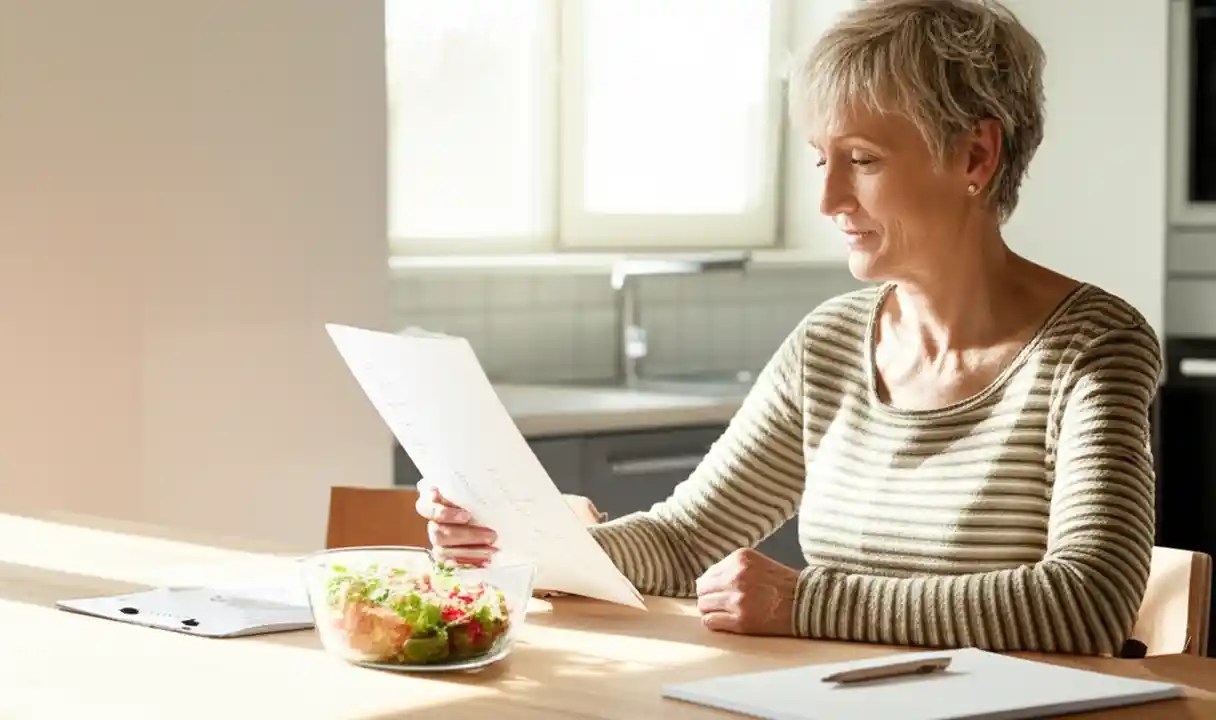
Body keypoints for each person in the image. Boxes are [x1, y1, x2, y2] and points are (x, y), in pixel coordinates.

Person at [416, 0, 1161, 657]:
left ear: (976, 154)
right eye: (821, 161)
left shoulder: (1090, 349)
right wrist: (527, 545)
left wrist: (803, 602)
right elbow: (684, 539)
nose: (830, 198)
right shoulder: (830, 344)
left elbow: (1086, 604)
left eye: (862, 160)